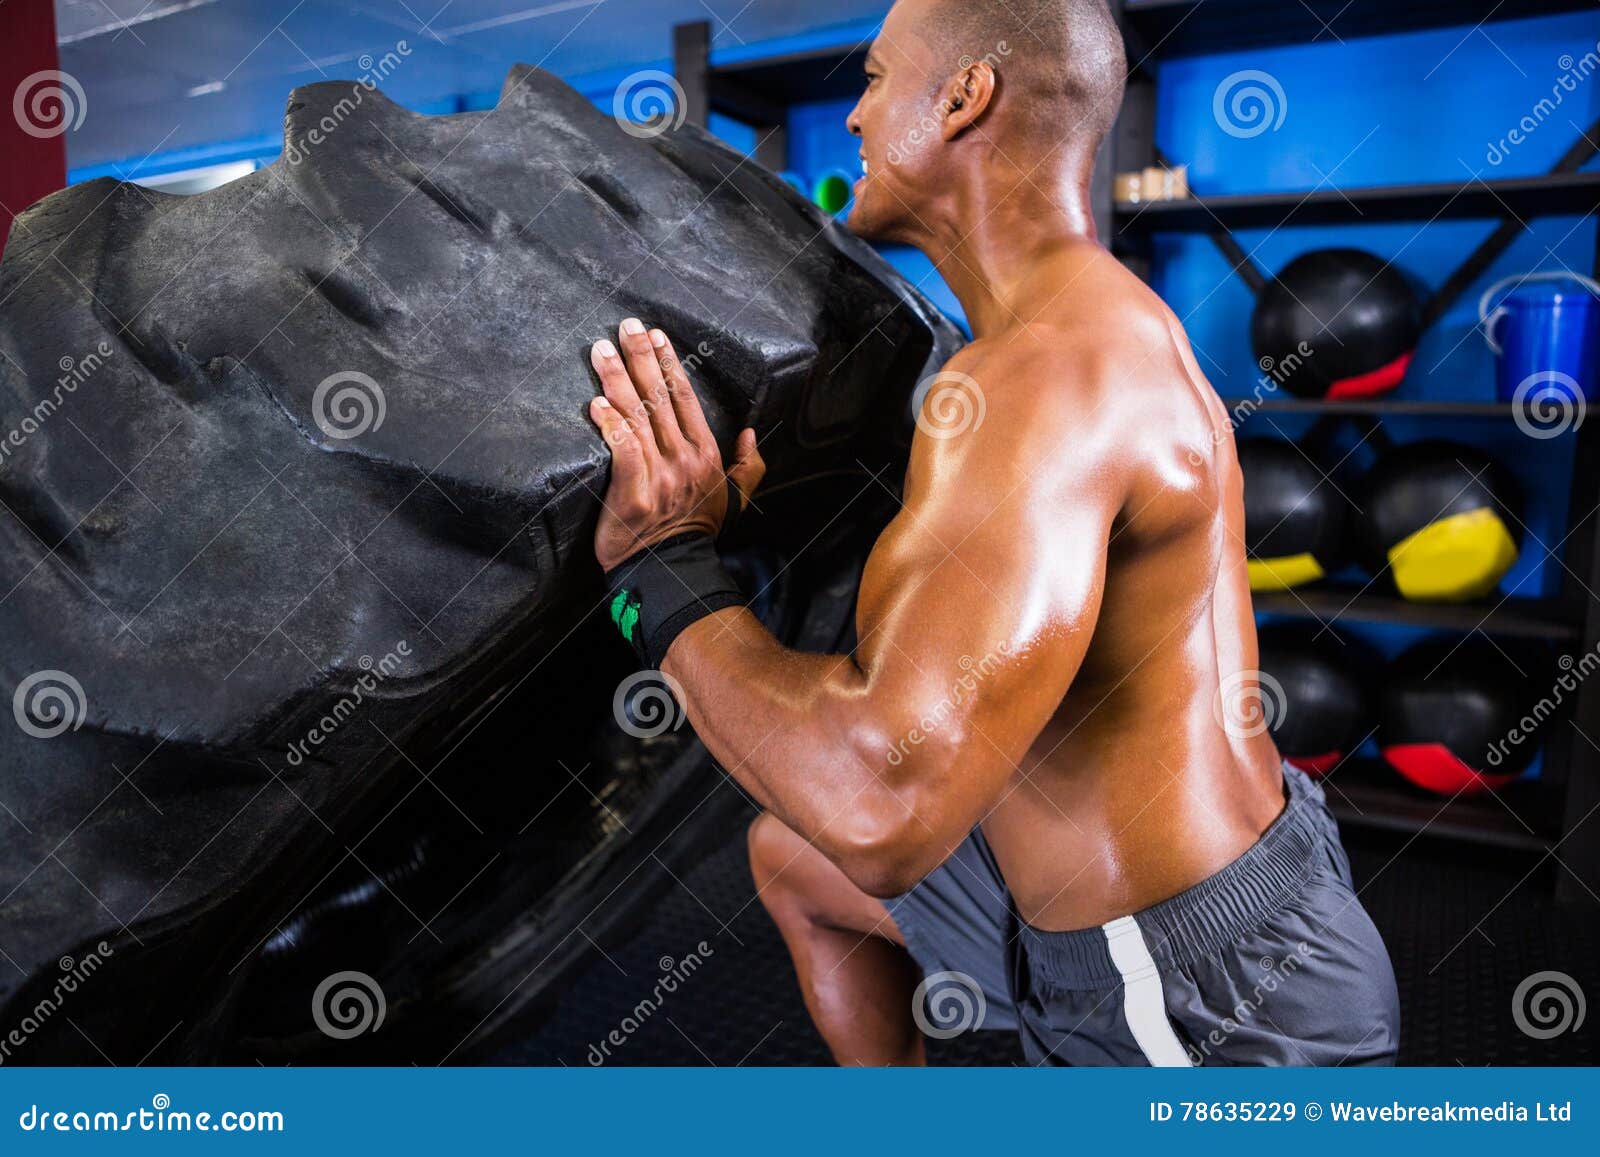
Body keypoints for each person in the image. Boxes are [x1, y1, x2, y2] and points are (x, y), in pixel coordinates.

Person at [580, 0, 1399, 1066]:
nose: (860, 119)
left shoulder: (1043, 376)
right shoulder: (1061, 329)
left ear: (964, 96)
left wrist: (656, 567)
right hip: (1156, 885)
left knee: (842, 827)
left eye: (875, 79)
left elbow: (882, 805)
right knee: (792, 858)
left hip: (1191, 998)